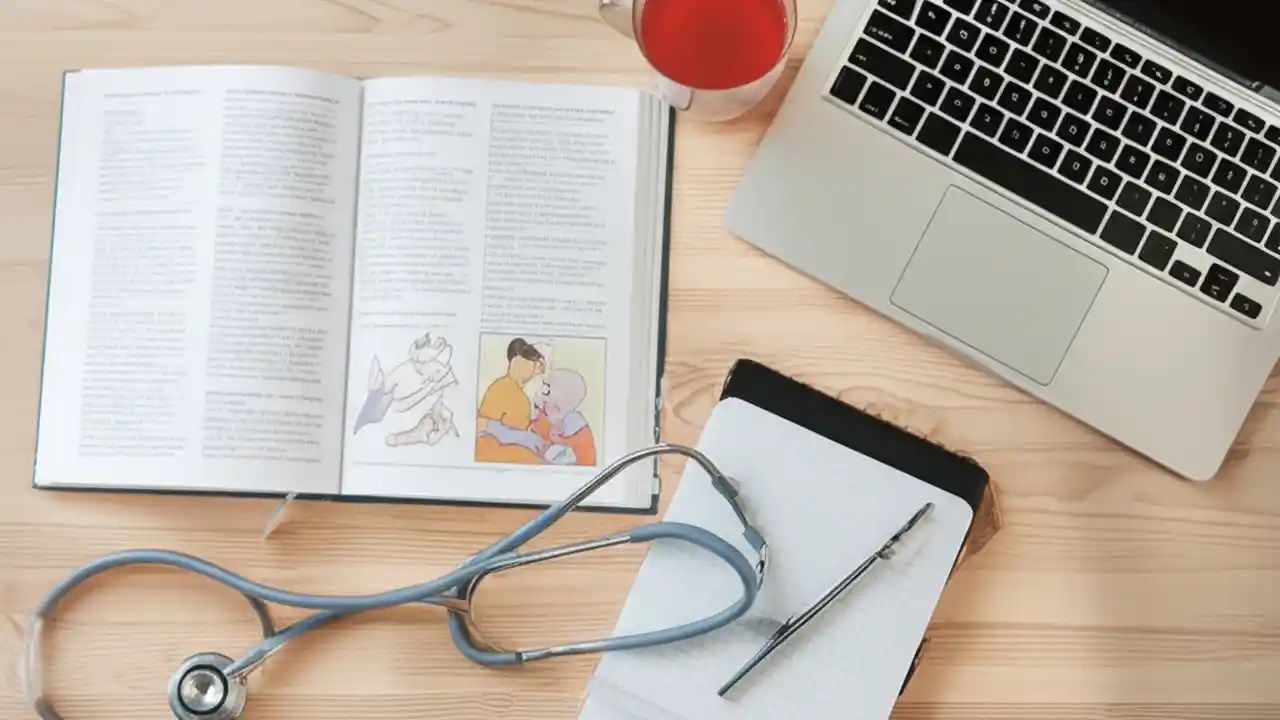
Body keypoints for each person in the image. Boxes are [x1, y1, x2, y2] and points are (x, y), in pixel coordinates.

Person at [474, 338, 546, 464]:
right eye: (535, 363)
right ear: (517, 360)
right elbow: (482, 427)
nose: (538, 371)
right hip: (494, 454)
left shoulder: (522, 397)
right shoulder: (501, 388)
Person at [531, 369, 597, 466]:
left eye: (547, 390)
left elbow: (586, 463)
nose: (541, 394)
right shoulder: (543, 418)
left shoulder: (579, 431)